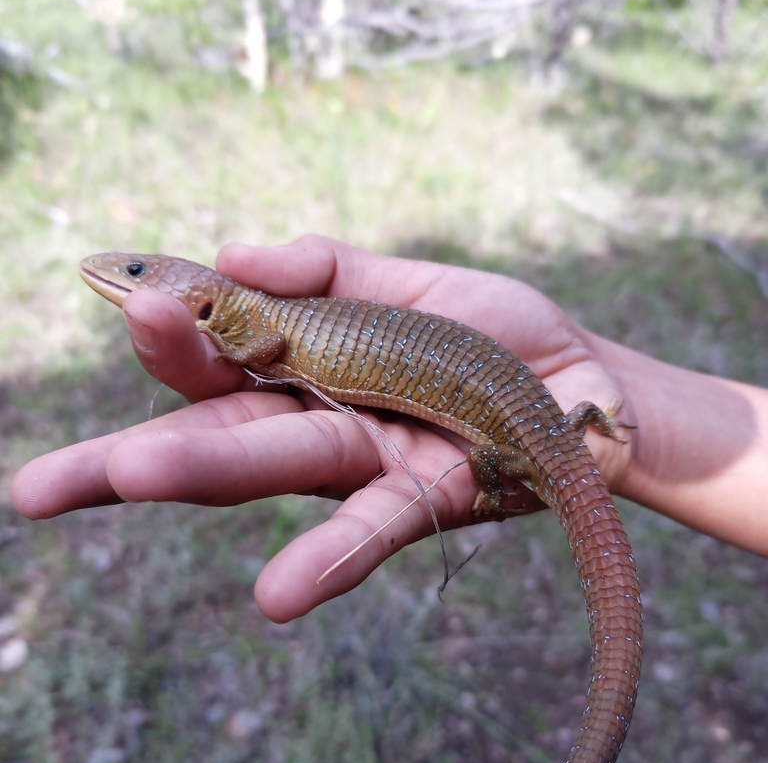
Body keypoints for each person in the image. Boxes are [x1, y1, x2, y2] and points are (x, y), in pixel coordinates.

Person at [11, 235, 768, 621]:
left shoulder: (247, 325)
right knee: (533, 448)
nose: (127, 274)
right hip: (548, 420)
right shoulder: (239, 311)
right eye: (138, 271)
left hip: (519, 434)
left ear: (200, 302)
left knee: (491, 469)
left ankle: (501, 482)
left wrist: (488, 491)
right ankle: (572, 435)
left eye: (142, 272)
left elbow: (267, 351)